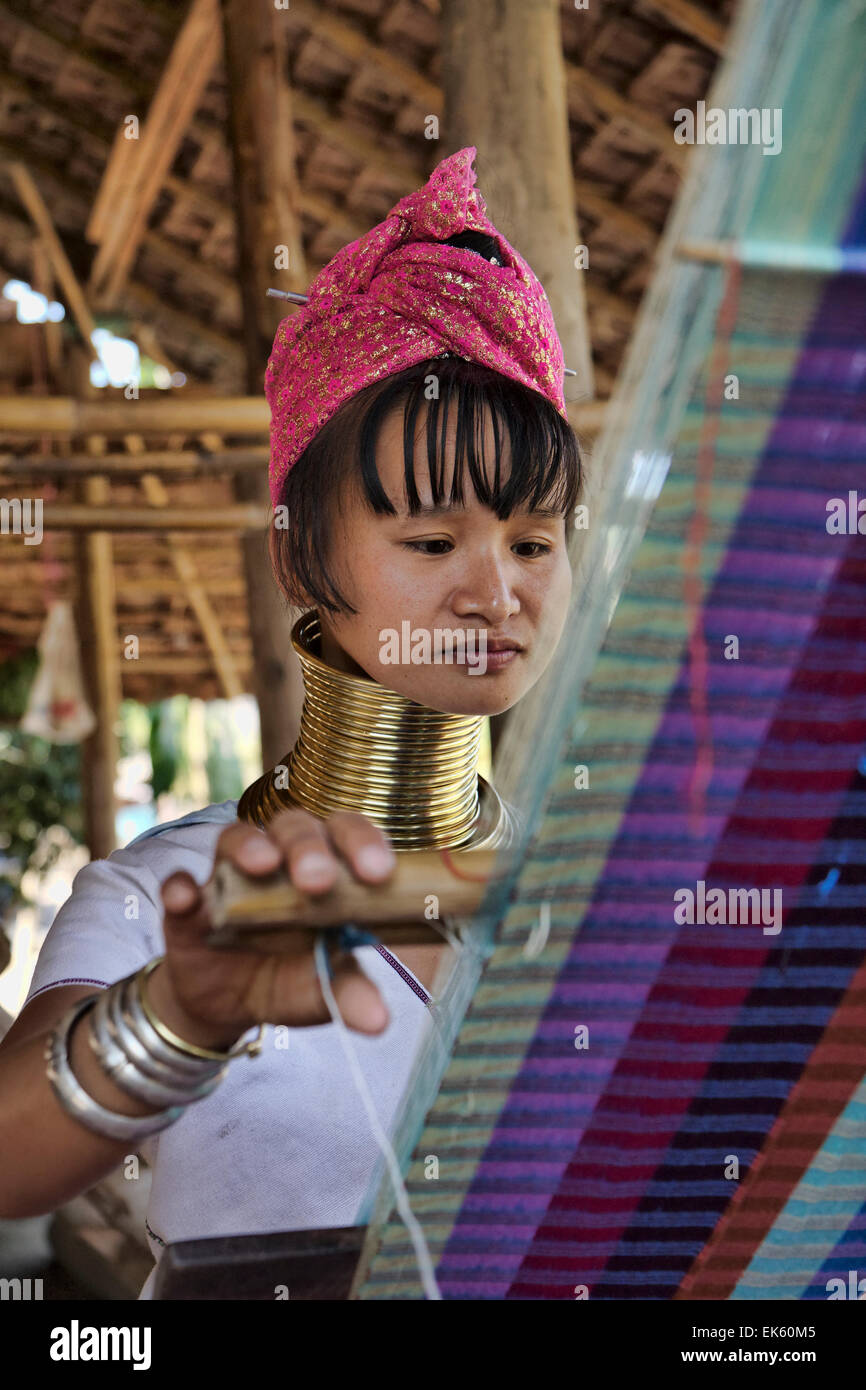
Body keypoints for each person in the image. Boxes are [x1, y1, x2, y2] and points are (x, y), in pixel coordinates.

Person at [0, 148, 582, 1298]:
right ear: (296, 555)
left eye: (532, 541)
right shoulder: (173, 892)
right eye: (431, 543)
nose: (495, 592)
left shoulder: (589, 887)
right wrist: (181, 1011)